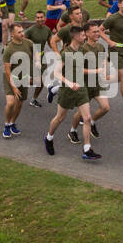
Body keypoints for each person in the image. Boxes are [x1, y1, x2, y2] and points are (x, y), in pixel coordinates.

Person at [44, 25, 101, 160]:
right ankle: (49, 137)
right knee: (60, 118)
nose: (85, 37)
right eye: (82, 35)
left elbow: (80, 69)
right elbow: (56, 73)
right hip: (67, 90)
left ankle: (87, 149)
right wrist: (69, 83)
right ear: (75, 37)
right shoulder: (66, 53)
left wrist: (97, 71)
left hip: (81, 89)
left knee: (87, 118)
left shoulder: (82, 50)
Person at [1, 21, 35, 138]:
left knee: (19, 104)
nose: (22, 33)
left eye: (22, 31)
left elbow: (34, 57)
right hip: (11, 78)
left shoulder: (28, 43)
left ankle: (12, 123)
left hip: (24, 78)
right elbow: (7, 70)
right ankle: (6, 125)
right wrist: (14, 87)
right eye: (19, 32)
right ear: (12, 34)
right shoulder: (9, 49)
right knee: (11, 103)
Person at [23, 9, 54, 109]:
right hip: (31, 57)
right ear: (35, 19)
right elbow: (23, 43)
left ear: (44, 18)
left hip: (42, 56)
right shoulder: (31, 30)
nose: (39, 19)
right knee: (38, 80)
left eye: (41, 17)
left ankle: (34, 99)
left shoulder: (47, 29)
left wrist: (57, 52)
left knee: (42, 80)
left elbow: (50, 43)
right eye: (37, 17)